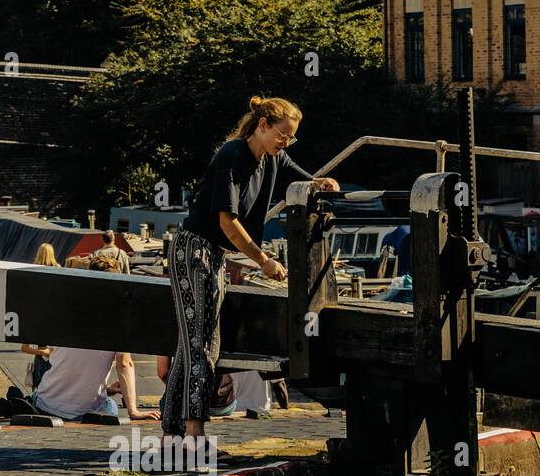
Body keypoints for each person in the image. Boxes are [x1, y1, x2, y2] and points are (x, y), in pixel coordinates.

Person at [161, 95, 339, 442]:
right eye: (282, 134)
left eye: (291, 138)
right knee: (203, 344)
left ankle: (172, 430)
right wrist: (264, 261)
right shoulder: (232, 155)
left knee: (192, 341)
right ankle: (195, 437)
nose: (285, 142)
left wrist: (322, 183)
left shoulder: (274, 158)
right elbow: (227, 222)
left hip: (215, 255)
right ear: (262, 126)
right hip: (194, 250)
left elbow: (301, 177)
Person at [32, 347, 158, 422]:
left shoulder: (60, 315)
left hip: (46, 406)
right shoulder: (118, 323)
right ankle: (101, 392)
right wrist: (133, 411)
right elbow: (124, 364)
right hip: (89, 411)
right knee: (110, 405)